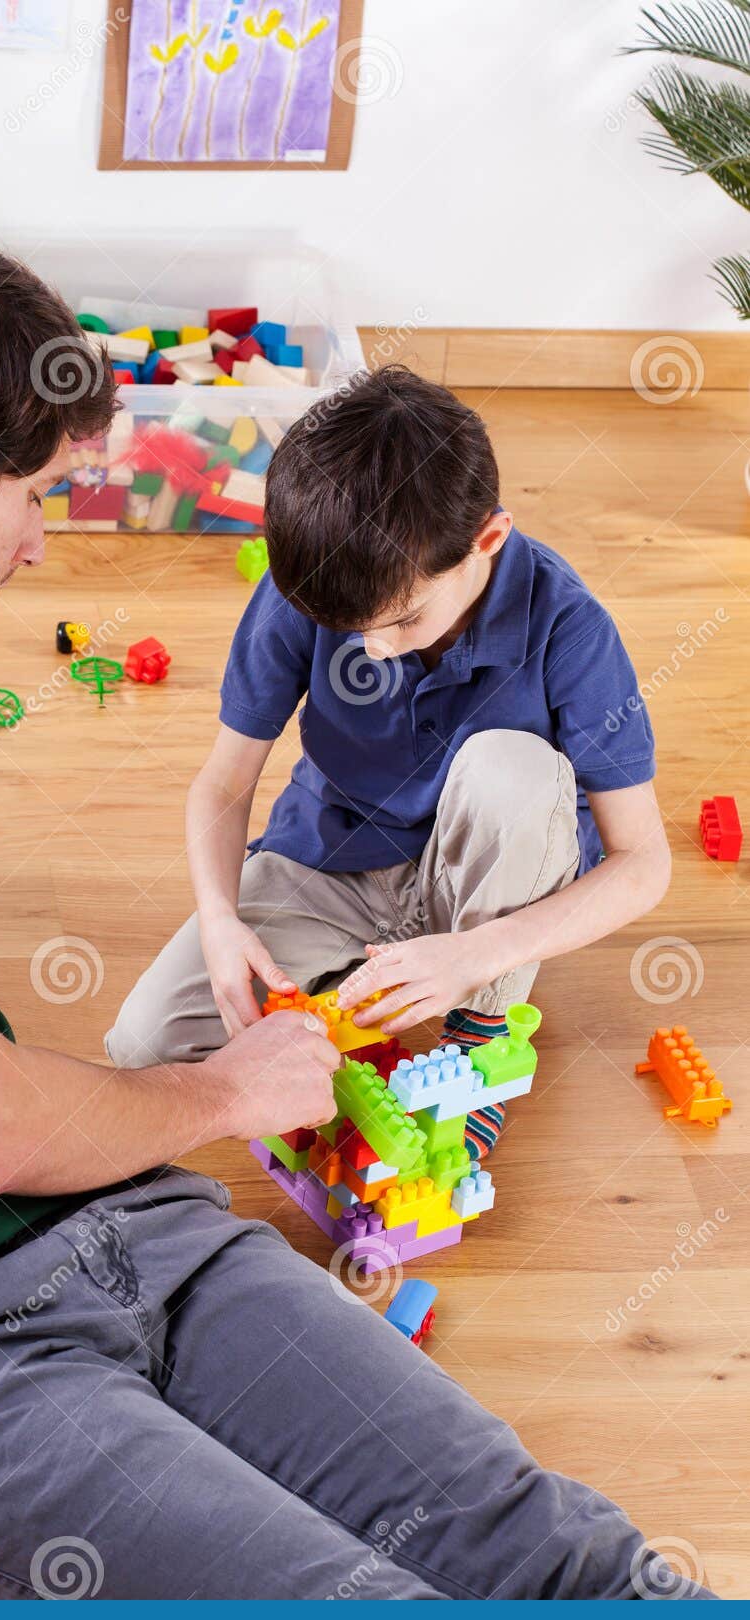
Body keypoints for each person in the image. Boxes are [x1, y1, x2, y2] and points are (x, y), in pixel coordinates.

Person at [0, 229, 707, 1600]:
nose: (46, 545)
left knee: (559, 1553)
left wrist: (193, 1107)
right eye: (37, 496)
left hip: (101, 1215)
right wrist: (224, 1086)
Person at [107, 367, 669, 1161]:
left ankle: (479, 1022)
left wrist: (479, 955)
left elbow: (642, 862)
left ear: (487, 540)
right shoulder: (314, 580)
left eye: (402, 620)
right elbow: (224, 782)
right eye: (350, 628)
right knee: (142, 1045)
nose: (373, 650)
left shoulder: (569, 628)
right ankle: (356, 992)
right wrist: (221, 921)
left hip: (486, 892)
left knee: (512, 767)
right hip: (331, 859)